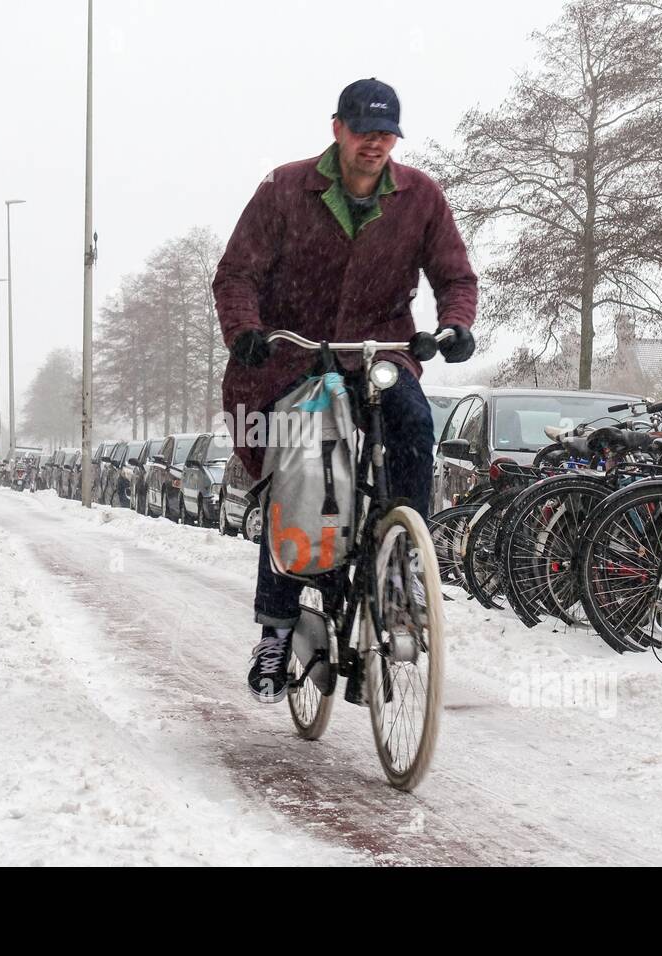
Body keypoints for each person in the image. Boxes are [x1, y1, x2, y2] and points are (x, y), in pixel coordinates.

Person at [213, 78, 478, 702]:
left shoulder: (420, 197)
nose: (375, 144)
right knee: (299, 480)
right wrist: (246, 332)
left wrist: (455, 324)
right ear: (338, 128)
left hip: (379, 353)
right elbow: (237, 274)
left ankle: (403, 555)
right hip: (297, 359)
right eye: (365, 132)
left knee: (414, 422)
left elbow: (454, 274)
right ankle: (276, 629)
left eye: (386, 134)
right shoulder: (285, 188)